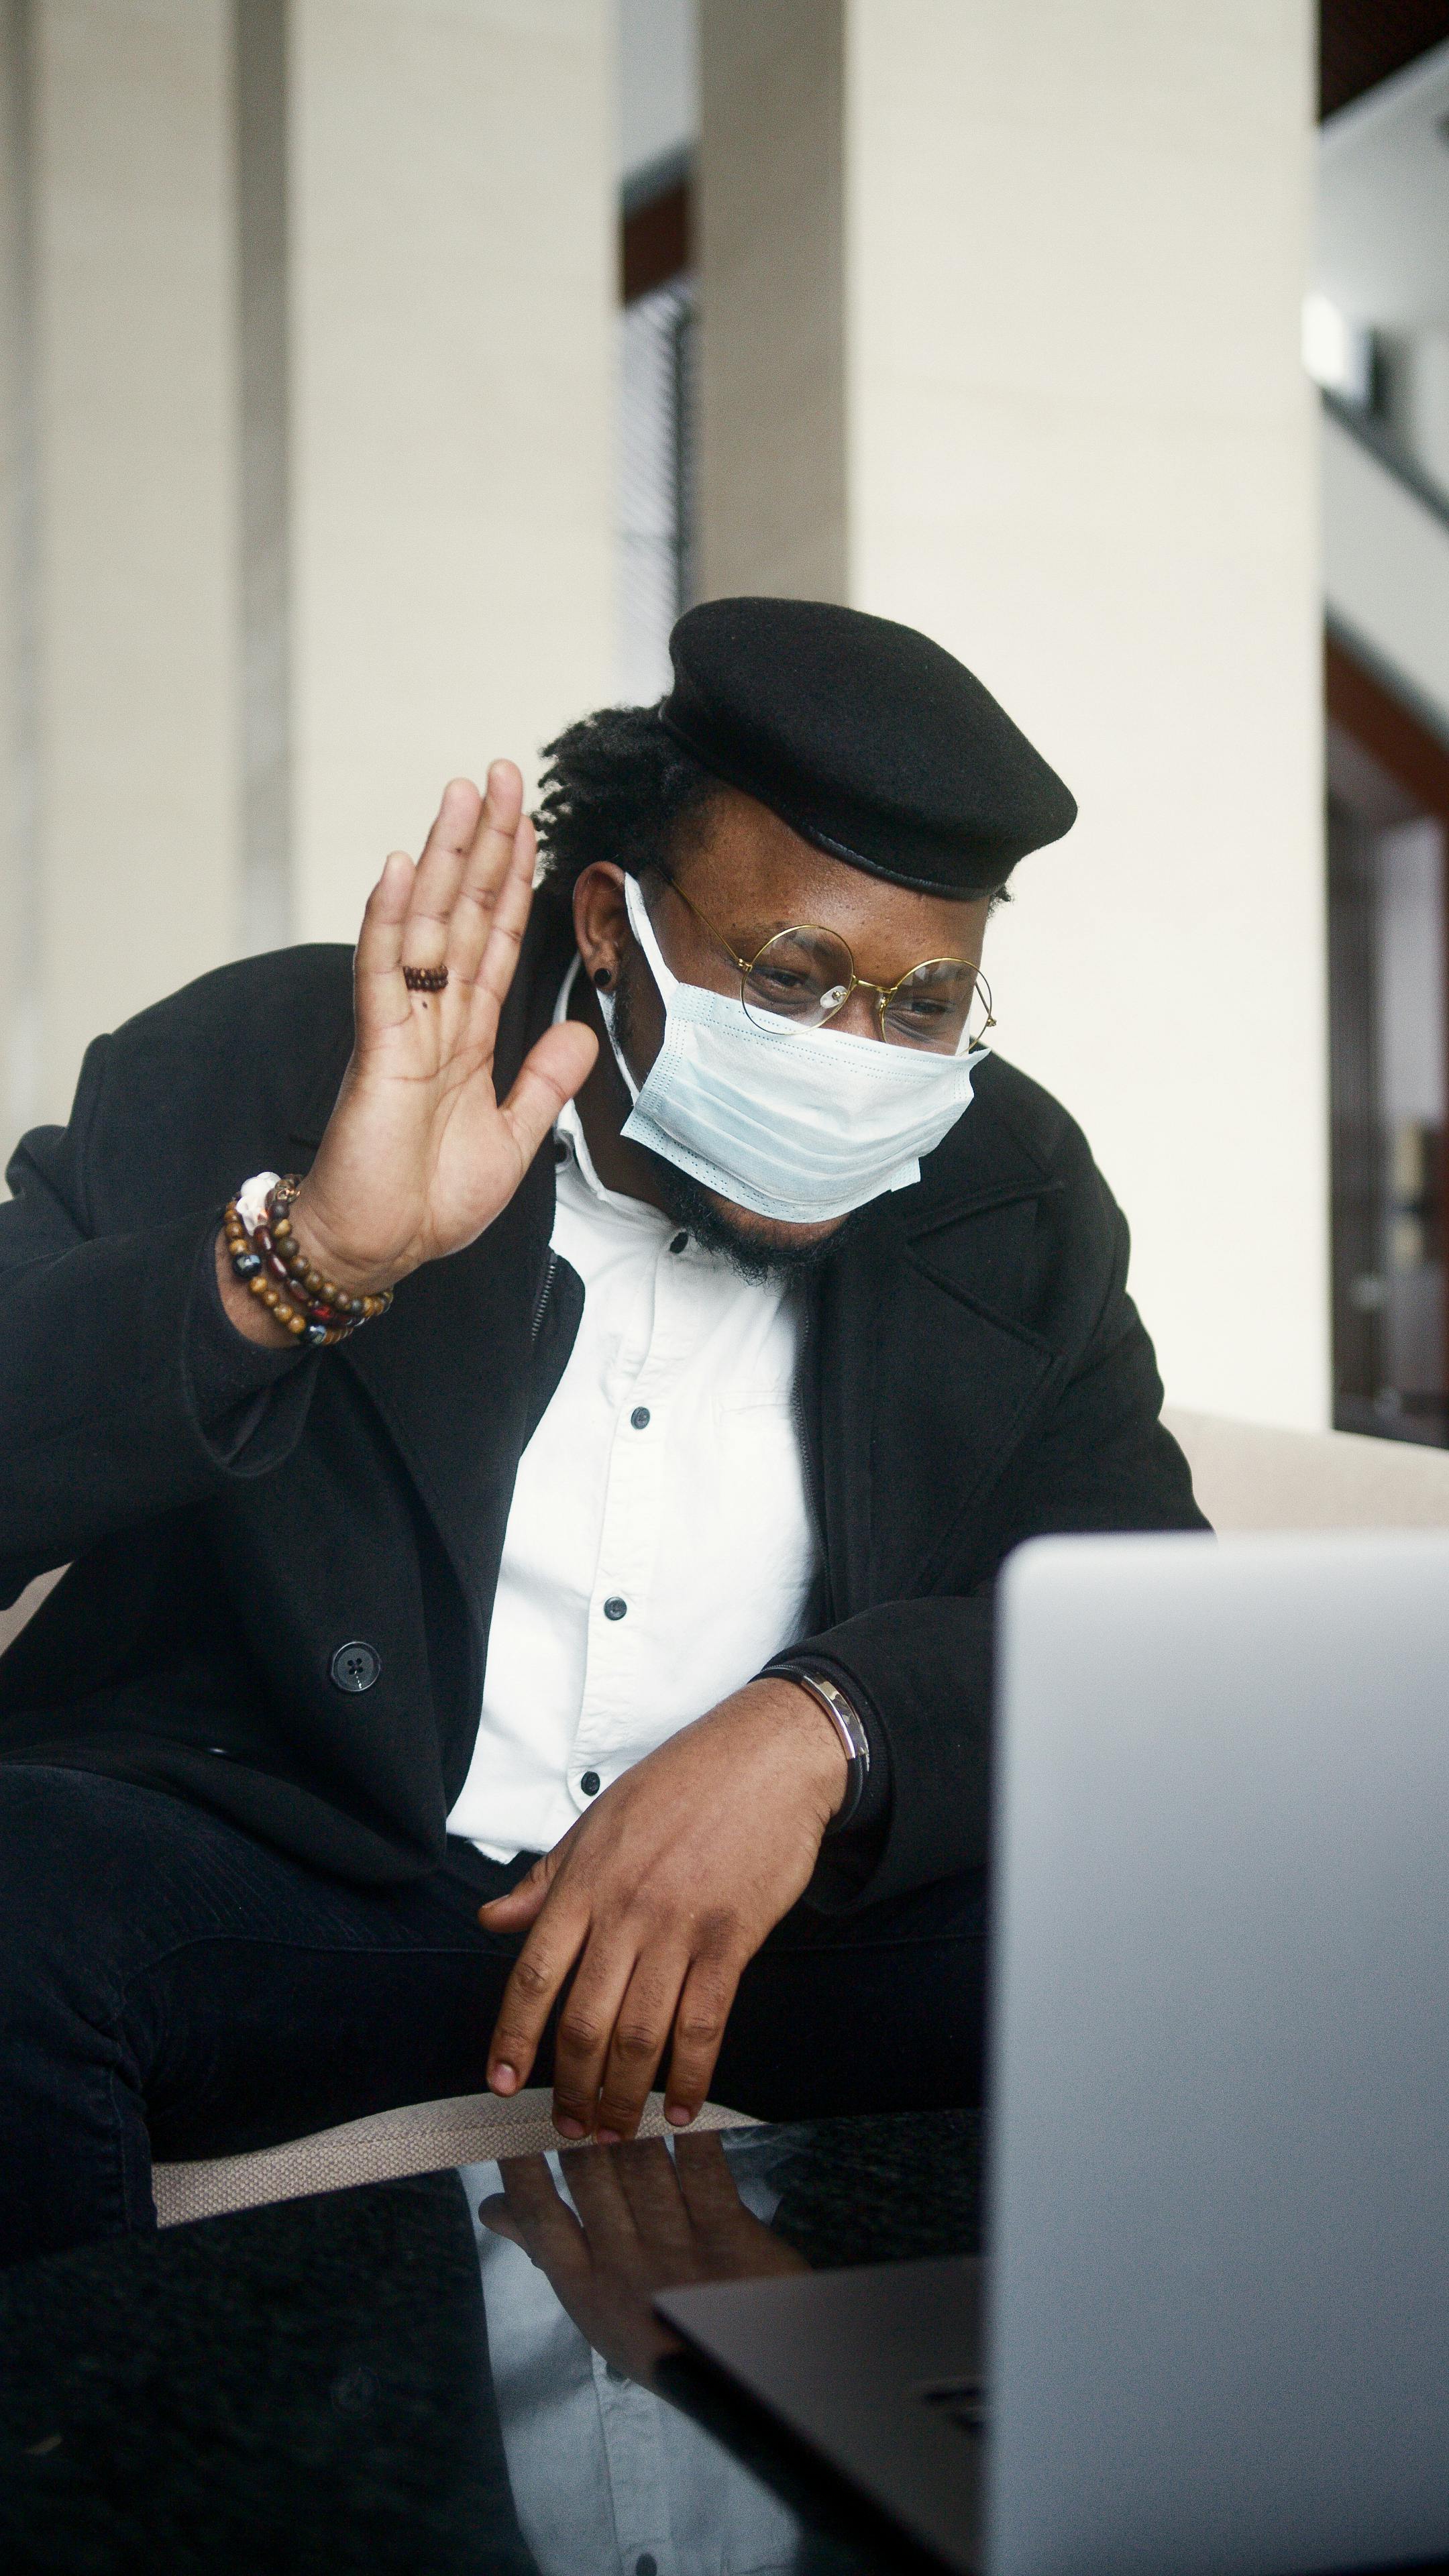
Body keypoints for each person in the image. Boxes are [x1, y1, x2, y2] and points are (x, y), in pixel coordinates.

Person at [0, 597, 1205, 2264]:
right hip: (309, 1886)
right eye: (792, 977)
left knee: (1238, 1941)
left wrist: (824, 1730)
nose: (856, 1056)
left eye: (923, 1006)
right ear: (614, 923)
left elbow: (1135, 1619)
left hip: (761, 1935)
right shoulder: (283, 1058)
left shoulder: (1010, 1188)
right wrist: (306, 1267)